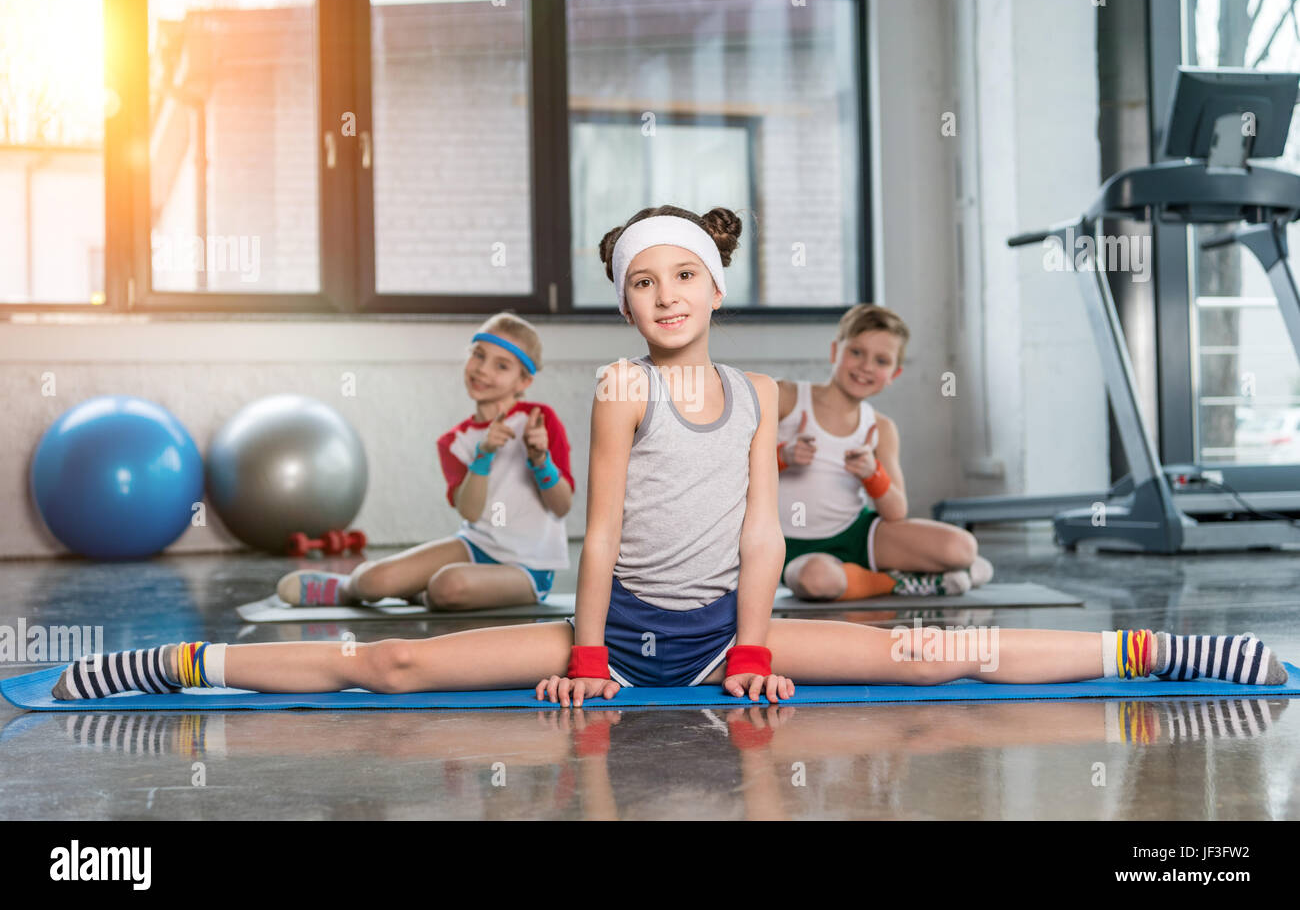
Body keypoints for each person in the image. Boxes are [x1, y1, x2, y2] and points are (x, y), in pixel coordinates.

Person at [51, 205, 1287, 704]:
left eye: (682, 273)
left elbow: (762, 531)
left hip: (720, 632)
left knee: (930, 656)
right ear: (626, 302)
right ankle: (176, 665)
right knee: (387, 675)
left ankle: (1163, 646)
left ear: (715, 279)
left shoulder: (756, 392)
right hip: (616, 624)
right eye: (641, 281)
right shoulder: (618, 389)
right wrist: (587, 655)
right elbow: (593, 532)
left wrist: (749, 644)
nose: (664, 293)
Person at [275, 311, 574, 611]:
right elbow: (470, 511)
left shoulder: (541, 420)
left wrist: (539, 459)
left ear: (524, 381)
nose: (483, 370)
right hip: (475, 546)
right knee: (373, 580)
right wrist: (483, 454)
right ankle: (345, 589)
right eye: (478, 355)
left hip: (527, 567)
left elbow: (561, 506)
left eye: (502, 365)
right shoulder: (454, 442)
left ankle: (418, 594)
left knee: (448, 585)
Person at [776, 304, 993, 601]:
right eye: (856, 352)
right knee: (819, 581)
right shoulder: (786, 397)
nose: (866, 366)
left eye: (881, 360)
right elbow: (731, 464)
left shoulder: (881, 427)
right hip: (787, 543)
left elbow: (896, 511)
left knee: (962, 548)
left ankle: (940, 570)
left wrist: (871, 474)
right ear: (834, 352)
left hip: (858, 535)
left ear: (894, 373)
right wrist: (781, 457)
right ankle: (897, 582)